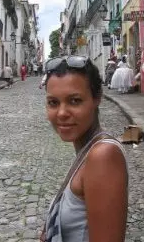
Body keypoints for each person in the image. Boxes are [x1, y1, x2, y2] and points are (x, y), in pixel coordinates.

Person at [41, 55, 128, 242]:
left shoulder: (102, 156)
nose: (62, 113)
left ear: (97, 99)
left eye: (74, 101)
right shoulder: (86, 151)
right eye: (53, 103)